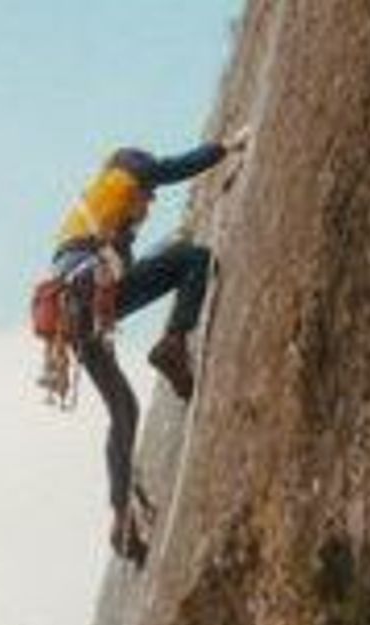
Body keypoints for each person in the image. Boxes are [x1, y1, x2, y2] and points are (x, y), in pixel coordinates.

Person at [47, 128, 249, 565]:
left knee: (124, 411)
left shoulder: (97, 215)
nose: (151, 200)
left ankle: (121, 518)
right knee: (194, 261)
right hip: (89, 291)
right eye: (149, 192)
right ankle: (174, 344)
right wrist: (227, 146)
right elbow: (169, 169)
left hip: (75, 312)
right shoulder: (124, 174)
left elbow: (122, 266)